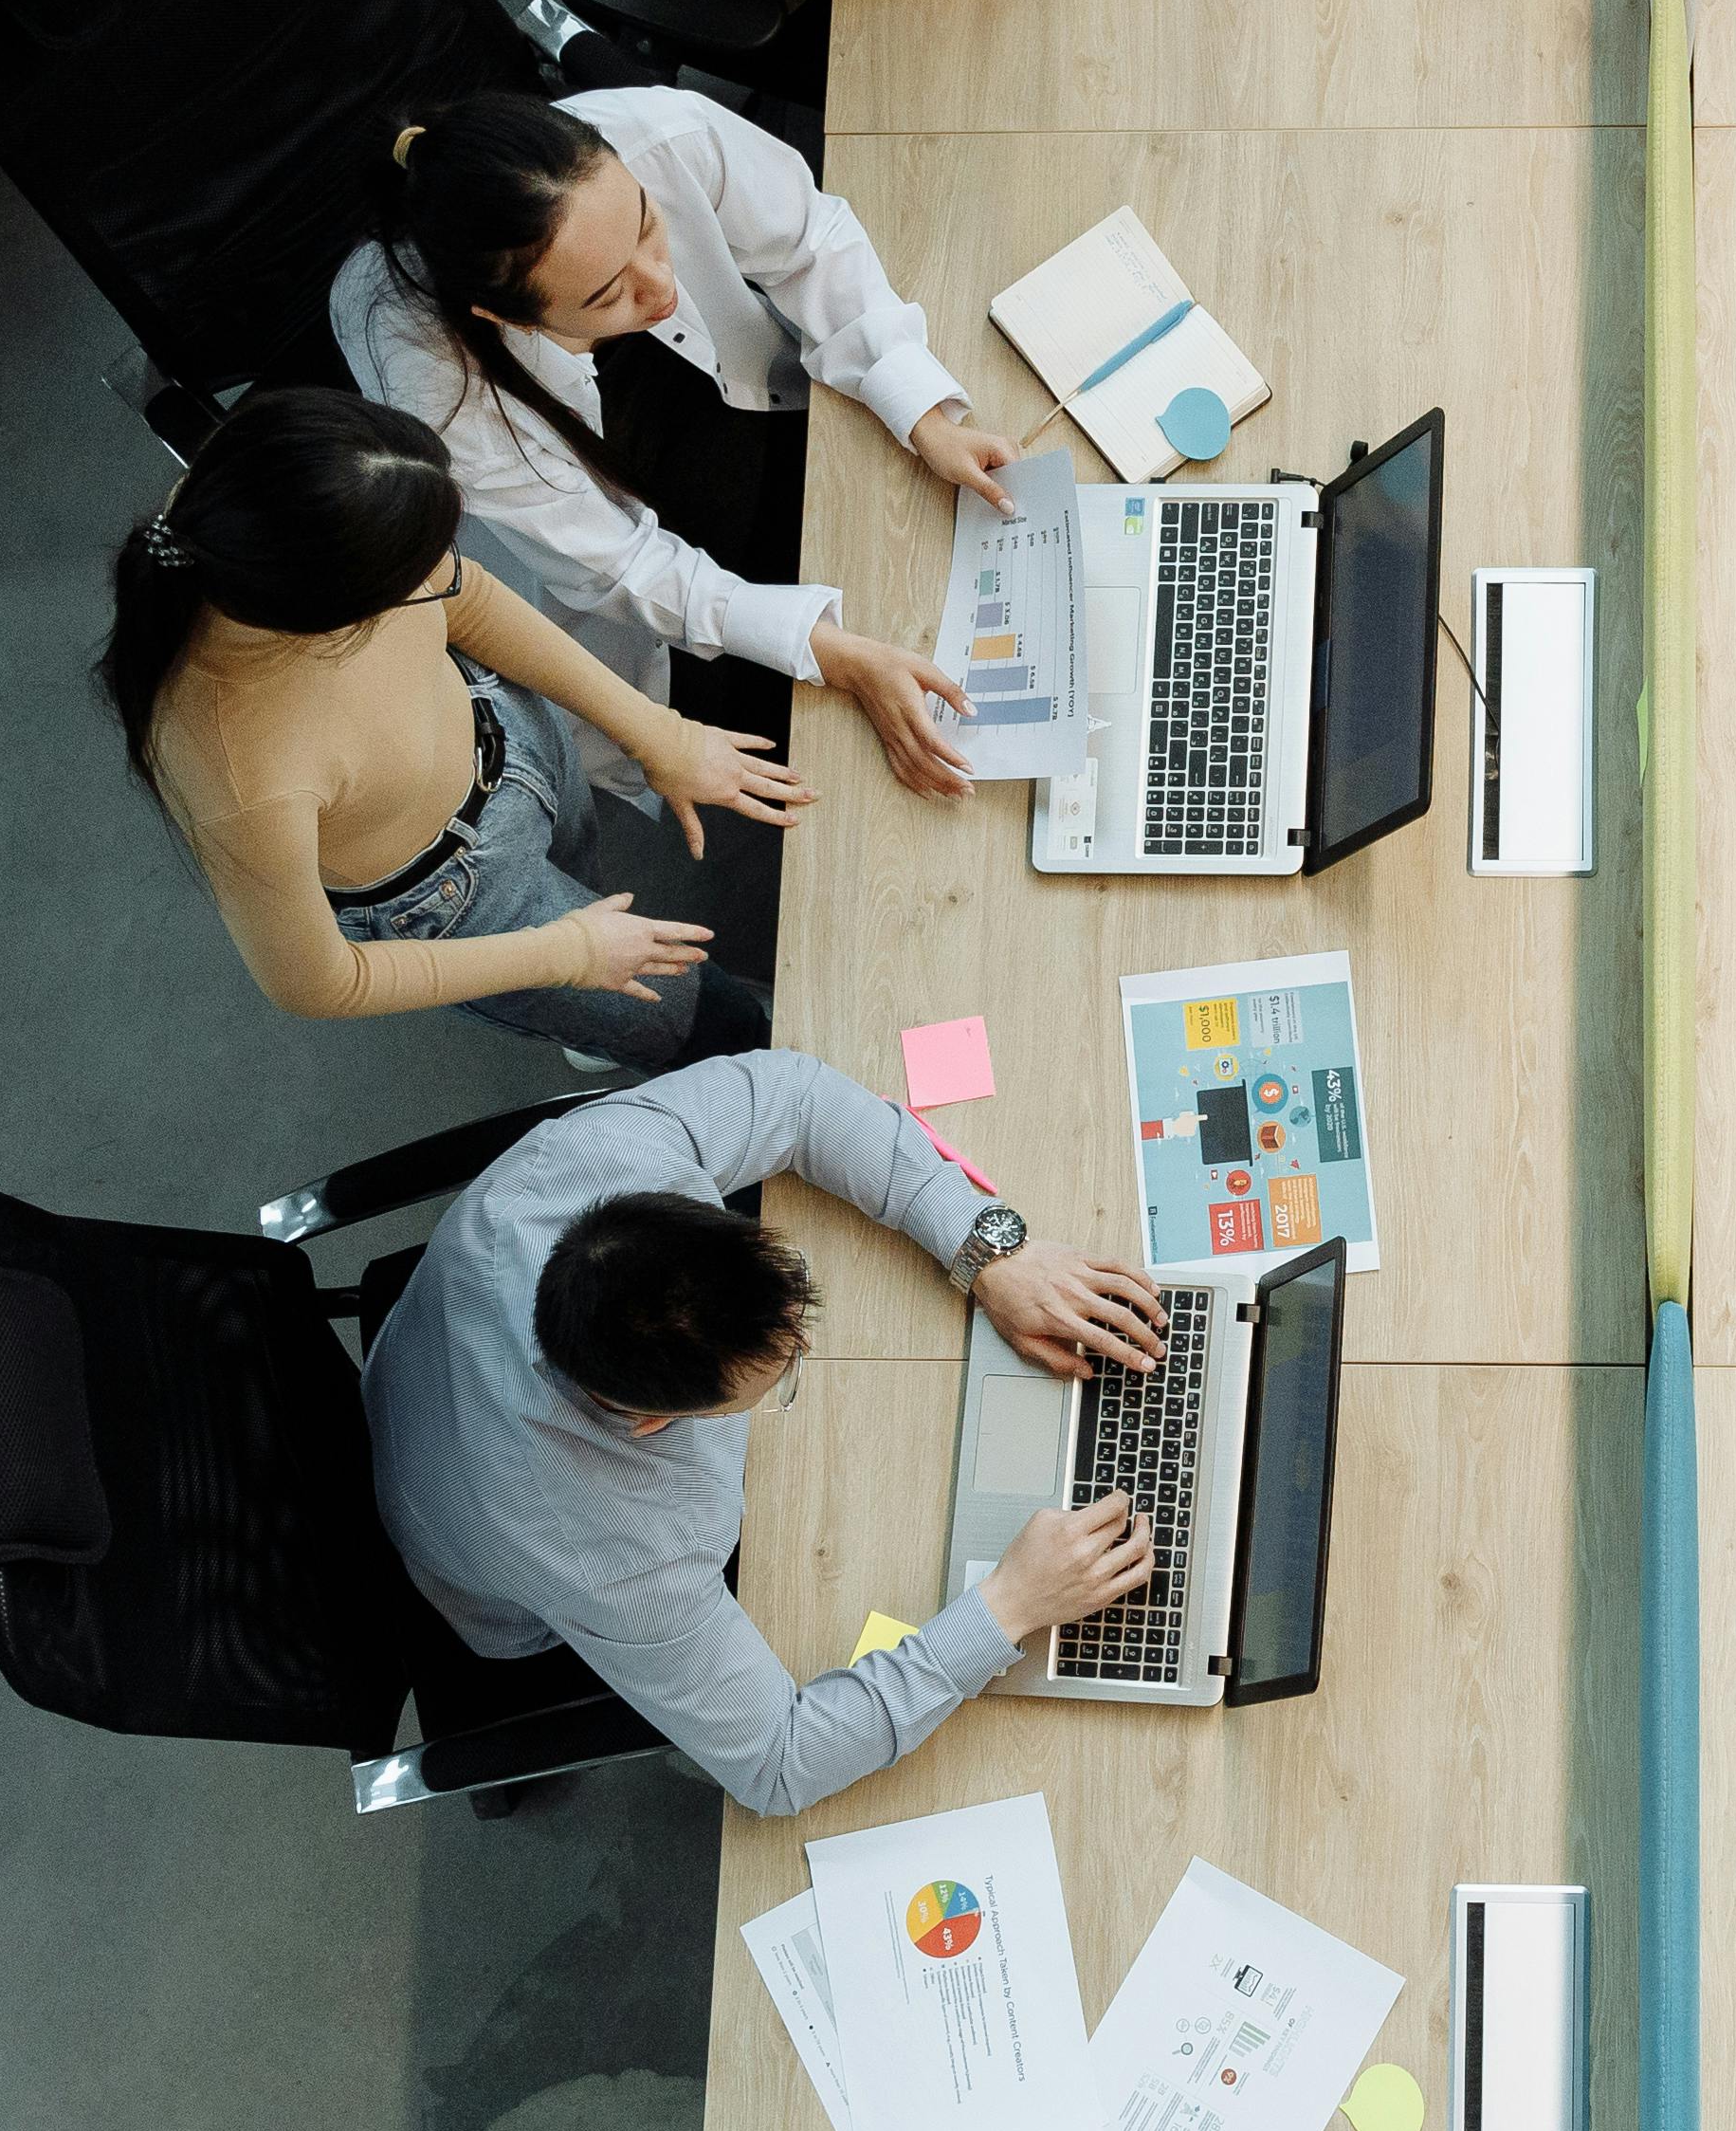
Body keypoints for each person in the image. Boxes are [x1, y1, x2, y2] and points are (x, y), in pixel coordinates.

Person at [369, 1049, 1167, 1817]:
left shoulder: (604, 1154)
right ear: (656, 1422)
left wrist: (987, 1250)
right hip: (493, 1578)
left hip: (423, 1375)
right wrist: (1006, 1607)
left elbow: (791, 1095)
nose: (805, 1351)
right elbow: (778, 1766)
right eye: (781, 1375)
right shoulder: (622, 1558)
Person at [101, 388, 805, 1066]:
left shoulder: (259, 517)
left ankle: (588, 982)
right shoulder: (245, 773)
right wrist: (566, 955)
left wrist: (656, 730)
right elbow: (316, 981)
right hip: (450, 898)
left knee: (586, 880)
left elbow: (465, 597)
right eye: (413, 572)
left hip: (506, 729)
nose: (440, 571)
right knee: (712, 1023)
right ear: (332, 612)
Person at [334, 90, 1006, 801]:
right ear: (505, 317)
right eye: (606, 294)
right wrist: (833, 654)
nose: (661, 287)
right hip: (642, 565)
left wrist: (922, 412)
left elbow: (809, 244)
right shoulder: (441, 394)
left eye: (648, 228)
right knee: (826, 752)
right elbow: (616, 567)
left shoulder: (656, 133)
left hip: (748, 412)